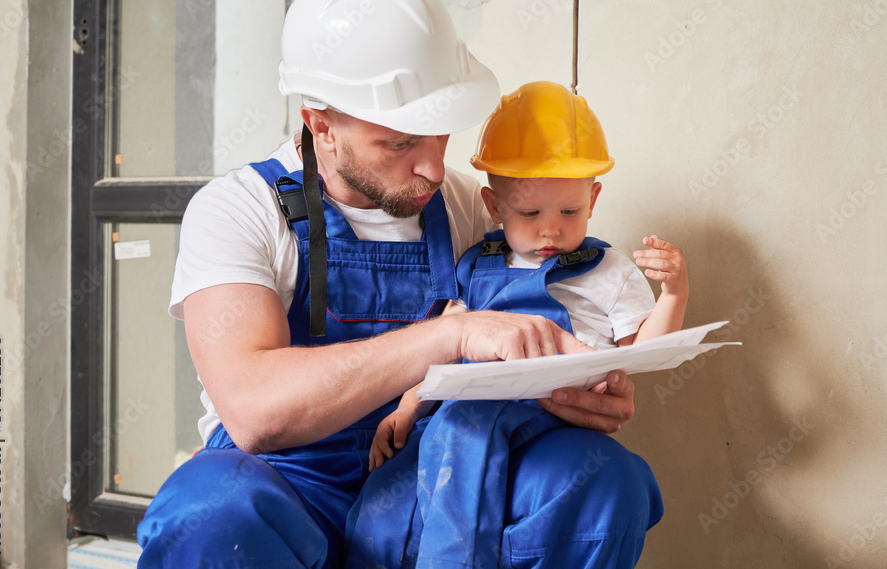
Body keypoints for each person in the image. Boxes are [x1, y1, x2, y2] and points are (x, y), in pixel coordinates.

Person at [137, 2, 660, 568]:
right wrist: (449, 337)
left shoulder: (470, 205)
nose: (434, 168)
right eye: (401, 143)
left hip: (434, 478)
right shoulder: (238, 210)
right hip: (290, 484)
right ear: (323, 127)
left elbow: (527, 338)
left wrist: (577, 386)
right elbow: (255, 410)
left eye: (440, 135)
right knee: (208, 514)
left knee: (602, 478)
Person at [356, 82, 684, 569]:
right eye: (530, 213)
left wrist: (674, 292)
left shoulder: (606, 269)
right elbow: (443, 351)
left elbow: (645, 352)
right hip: (462, 405)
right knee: (382, 505)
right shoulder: (474, 264)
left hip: (551, 413)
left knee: (462, 432)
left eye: (569, 211)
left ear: (593, 198)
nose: (550, 229)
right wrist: (407, 408)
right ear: (494, 207)